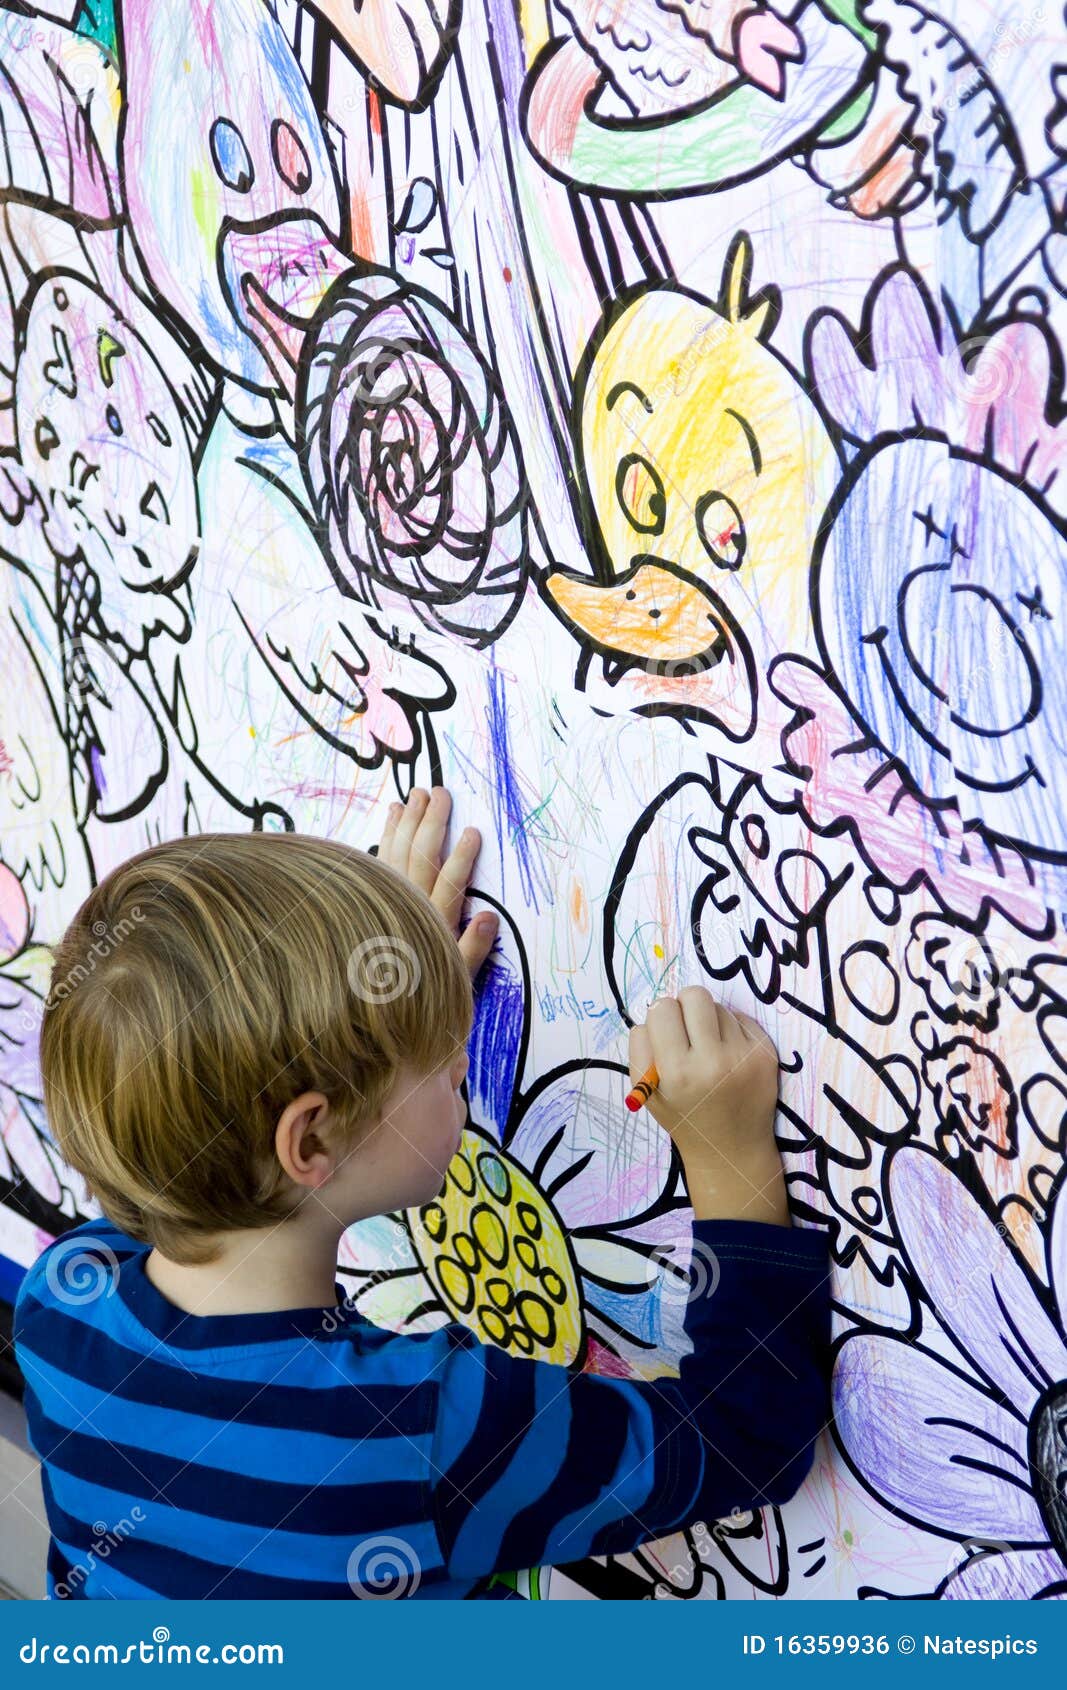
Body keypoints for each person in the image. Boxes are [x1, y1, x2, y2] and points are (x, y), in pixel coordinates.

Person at [14, 788, 831, 1599]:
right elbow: (741, 1438)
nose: (459, 1060)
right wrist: (727, 1157)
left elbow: (188, 1113)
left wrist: (374, 1003)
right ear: (310, 1142)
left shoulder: (62, 1302)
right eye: (440, 1058)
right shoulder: (420, 1433)